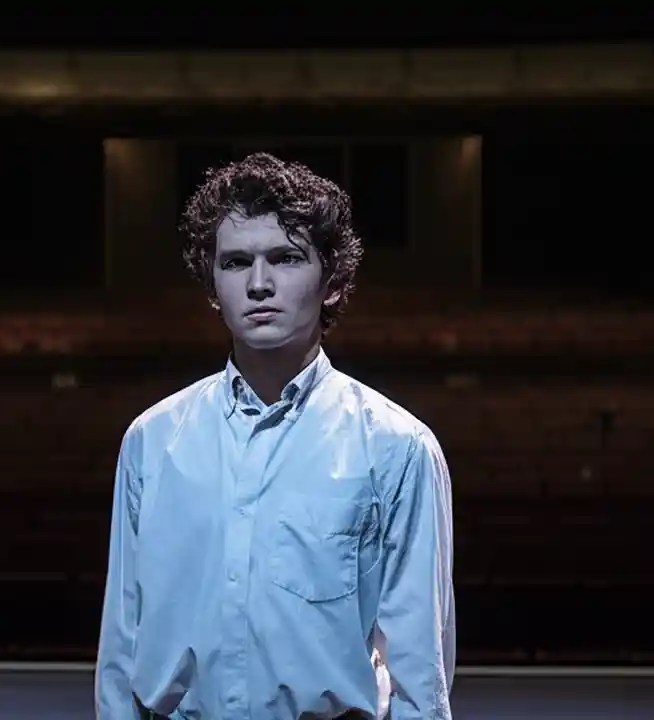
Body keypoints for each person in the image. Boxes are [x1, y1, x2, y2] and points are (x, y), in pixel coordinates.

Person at [95, 152, 455, 719]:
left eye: (285, 258)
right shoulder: (151, 440)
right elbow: (121, 645)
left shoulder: (398, 447)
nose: (259, 284)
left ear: (332, 281)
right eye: (236, 263)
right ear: (213, 286)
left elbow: (418, 671)